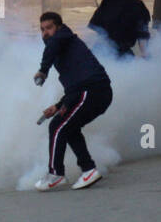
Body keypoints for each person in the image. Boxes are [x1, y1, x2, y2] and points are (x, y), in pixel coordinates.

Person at [32, 12, 111, 191]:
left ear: (59, 27)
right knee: (68, 127)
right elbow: (74, 88)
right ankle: (88, 169)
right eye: (42, 29)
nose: (45, 33)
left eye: (49, 28)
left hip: (92, 90)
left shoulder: (62, 37)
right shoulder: (63, 46)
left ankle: (56, 173)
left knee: (58, 126)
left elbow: (52, 46)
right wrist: (58, 106)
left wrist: (43, 70)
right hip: (88, 92)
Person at [87, 0, 151, 57]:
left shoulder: (142, 11)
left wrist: (146, 55)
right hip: (103, 45)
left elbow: (143, 35)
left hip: (123, 52)